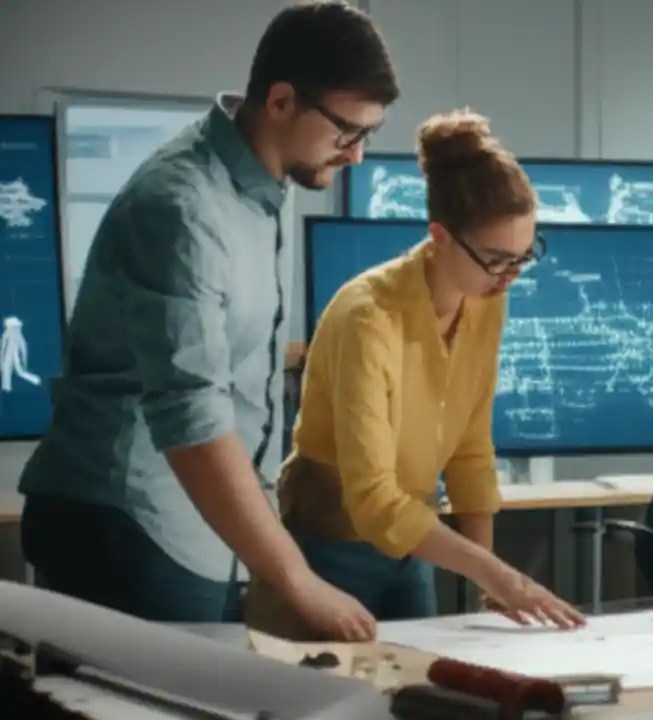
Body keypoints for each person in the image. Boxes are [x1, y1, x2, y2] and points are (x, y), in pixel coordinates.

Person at [18, 1, 397, 640]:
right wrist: (294, 577)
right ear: (281, 101)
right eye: (347, 132)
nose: (357, 156)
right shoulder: (184, 207)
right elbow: (191, 417)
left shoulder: (260, 190)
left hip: (197, 526)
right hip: (132, 521)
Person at [244, 108, 586, 640]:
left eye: (523, 258)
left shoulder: (485, 301)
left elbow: (471, 449)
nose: (510, 278)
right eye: (497, 259)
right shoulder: (368, 316)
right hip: (330, 548)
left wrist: (489, 585)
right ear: (440, 236)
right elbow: (374, 499)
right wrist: (496, 572)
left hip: (412, 545)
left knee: (421, 694)